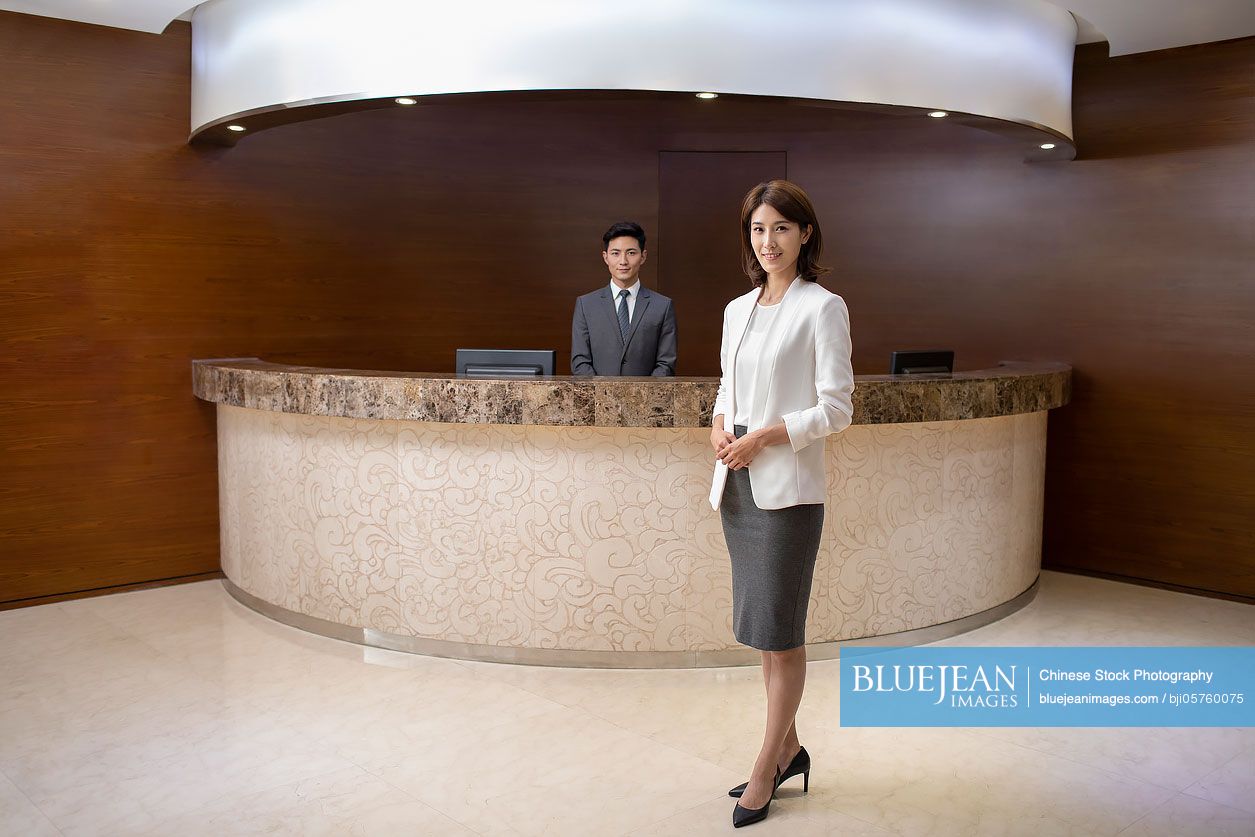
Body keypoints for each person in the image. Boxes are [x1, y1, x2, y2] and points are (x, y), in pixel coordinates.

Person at [708, 180, 855, 828]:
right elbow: (724, 386)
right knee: (764, 634)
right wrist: (717, 425)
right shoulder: (737, 309)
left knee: (782, 634)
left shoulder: (822, 307)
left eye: (780, 229)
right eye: (757, 229)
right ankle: (789, 747)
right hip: (737, 487)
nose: (767, 241)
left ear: (805, 235)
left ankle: (766, 766)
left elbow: (836, 407)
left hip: (787, 492)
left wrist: (766, 434)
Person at [571, 221, 677, 376]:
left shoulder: (662, 306)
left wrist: (642, 398)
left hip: (646, 399)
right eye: (615, 253)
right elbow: (580, 362)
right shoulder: (586, 305)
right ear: (605, 257)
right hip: (599, 398)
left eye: (631, 253)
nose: (623, 261)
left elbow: (665, 364)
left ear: (643, 256)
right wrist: (603, 397)